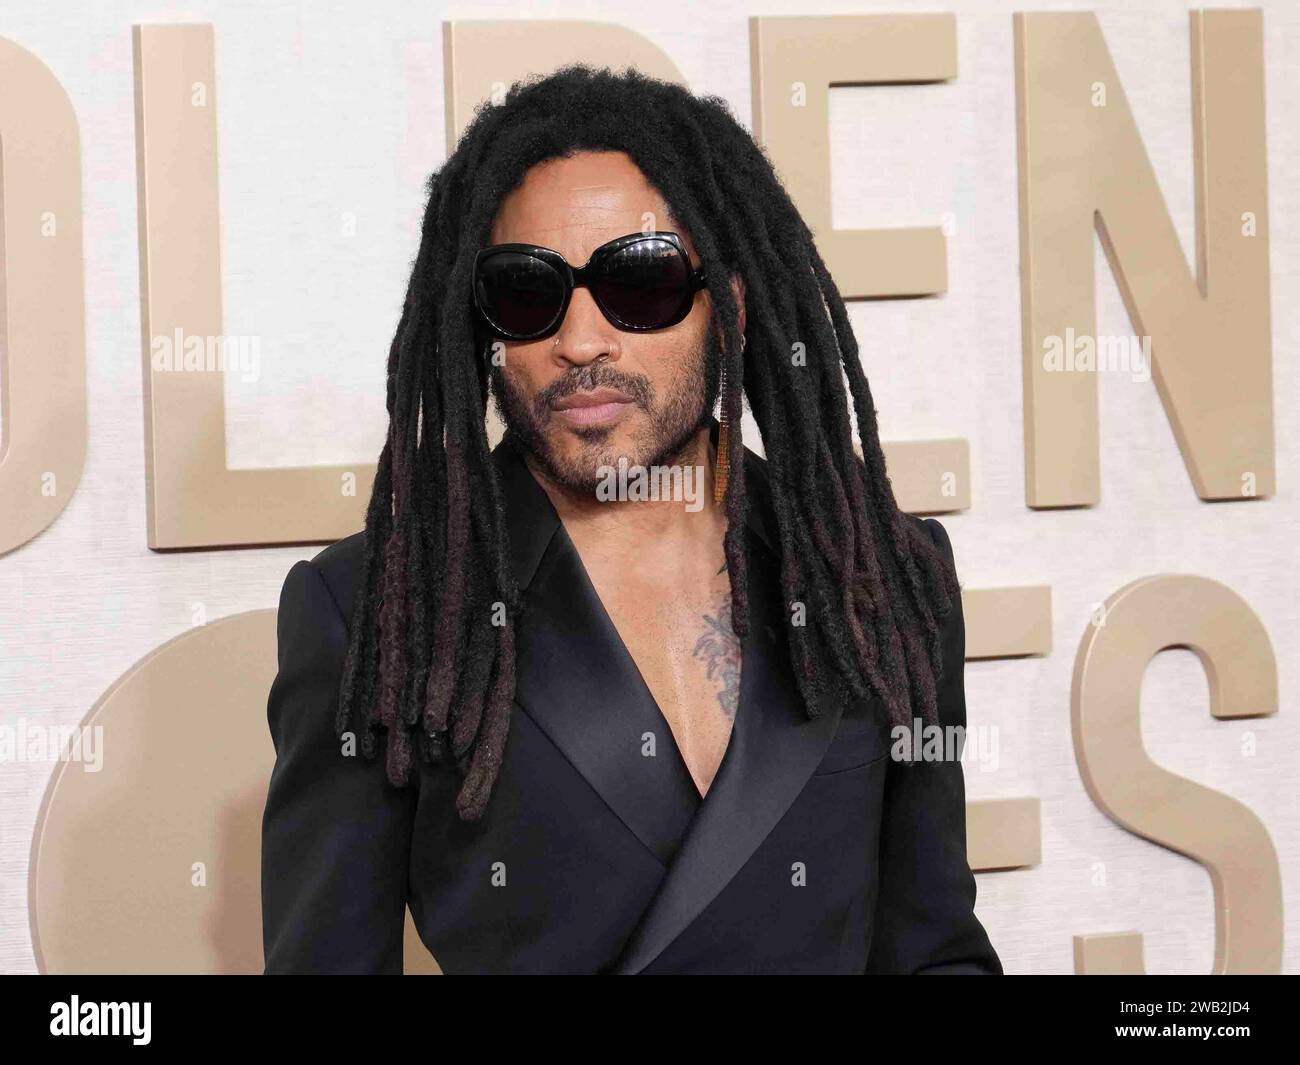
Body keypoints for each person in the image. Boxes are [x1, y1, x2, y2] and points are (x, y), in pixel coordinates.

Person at [260, 64, 1002, 975]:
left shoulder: (881, 573)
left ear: (726, 306)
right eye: (530, 294)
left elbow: (933, 954)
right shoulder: (378, 613)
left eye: (639, 282)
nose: (581, 341)